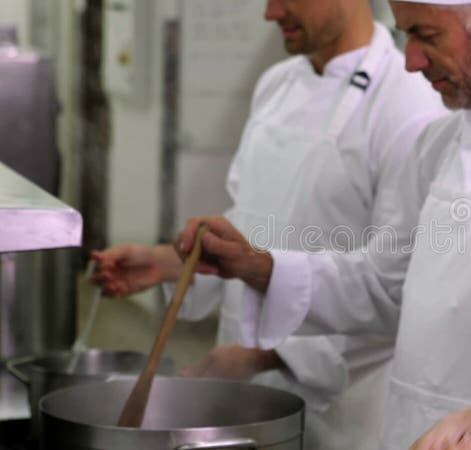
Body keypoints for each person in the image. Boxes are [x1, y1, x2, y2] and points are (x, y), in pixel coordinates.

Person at [175, 0, 471, 448]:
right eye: (406, 35)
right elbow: (383, 286)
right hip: (410, 434)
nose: (411, 61)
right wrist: (258, 266)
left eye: (426, 35)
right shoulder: (437, 147)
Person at [92, 0, 446, 449]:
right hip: (241, 402)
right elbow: (255, 219)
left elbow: (393, 288)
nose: (270, 13)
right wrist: (170, 263)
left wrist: (267, 356)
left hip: (339, 418)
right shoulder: (277, 83)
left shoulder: (409, 105)